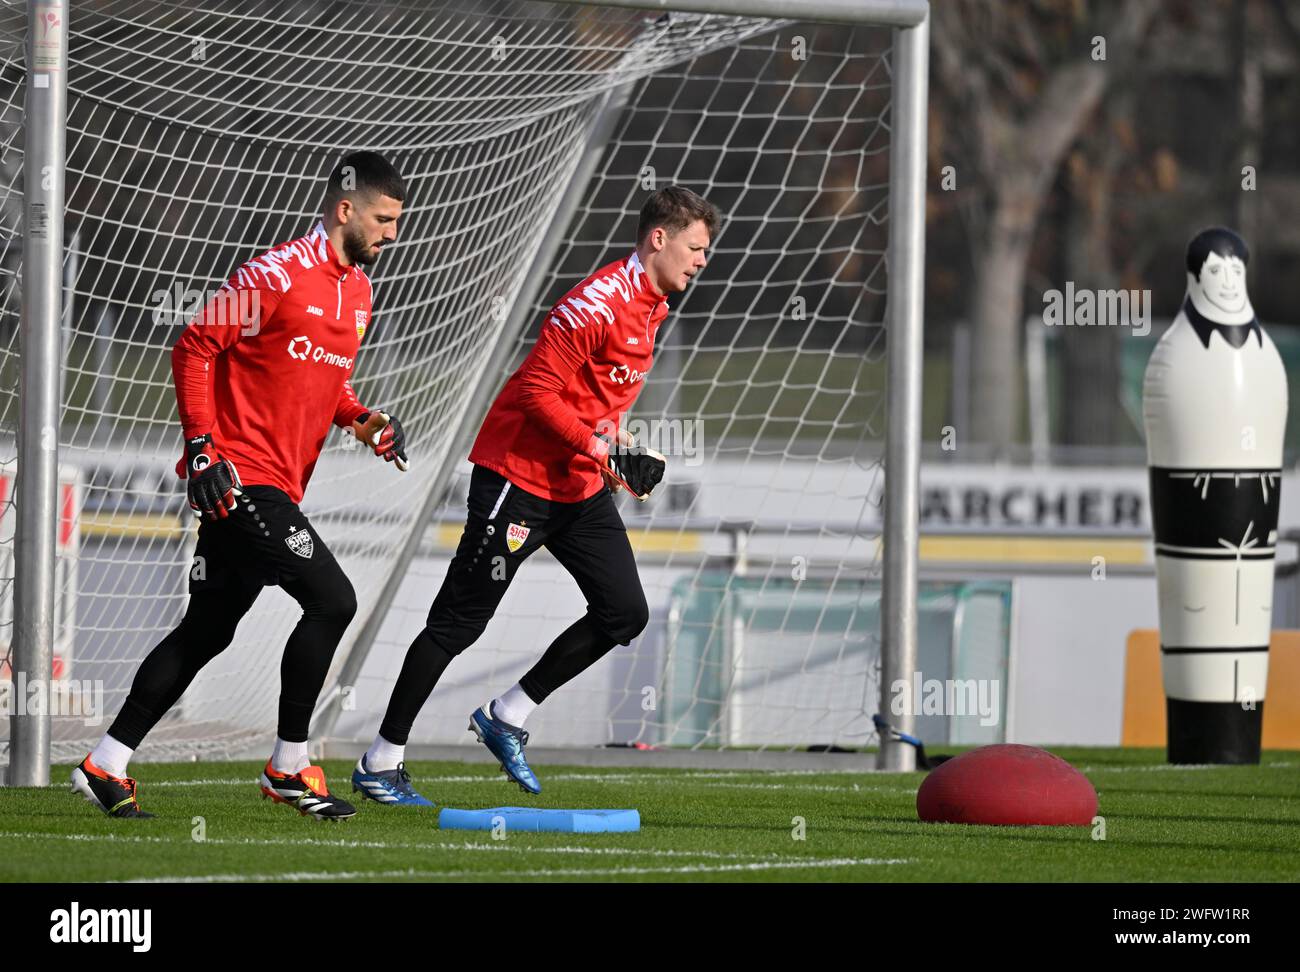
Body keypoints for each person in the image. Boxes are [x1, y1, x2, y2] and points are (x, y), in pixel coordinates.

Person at [352, 186, 719, 805]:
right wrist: (603, 451)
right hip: (516, 481)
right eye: (695, 247)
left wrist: (618, 447)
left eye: (705, 251)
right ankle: (380, 762)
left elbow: (594, 402)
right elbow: (535, 395)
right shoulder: (594, 304)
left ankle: (508, 714)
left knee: (624, 612)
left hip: (575, 486)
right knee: (457, 623)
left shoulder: (654, 306)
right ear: (659, 238)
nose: (701, 260)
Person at [72, 151, 409, 820]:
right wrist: (200, 449)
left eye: (397, 222)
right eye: (383, 219)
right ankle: (289, 765)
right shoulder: (276, 273)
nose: (391, 234)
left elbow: (325, 383)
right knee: (333, 600)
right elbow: (195, 344)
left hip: (279, 483)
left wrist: (365, 421)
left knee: (208, 629)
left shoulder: (360, 292)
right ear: (346, 209)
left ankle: (104, 762)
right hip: (239, 480)